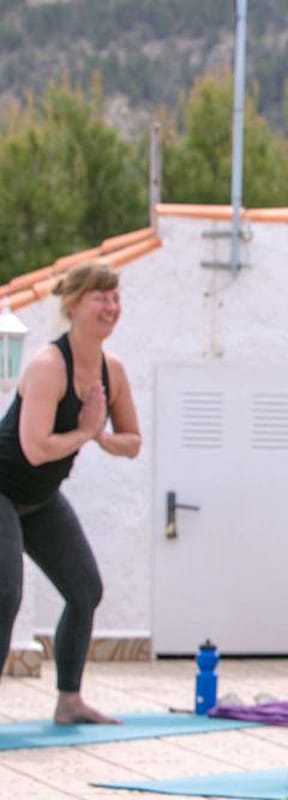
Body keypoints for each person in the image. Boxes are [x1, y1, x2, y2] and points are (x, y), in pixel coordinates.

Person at [0, 261, 141, 724]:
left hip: (39, 498)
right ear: (74, 304)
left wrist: (96, 435)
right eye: (101, 297)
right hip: (3, 487)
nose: (111, 307)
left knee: (85, 591)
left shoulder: (111, 370)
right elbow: (36, 449)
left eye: (115, 297)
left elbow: (132, 442)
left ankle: (69, 700)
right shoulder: (48, 365)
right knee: (5, 595)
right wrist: (85, 432)